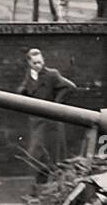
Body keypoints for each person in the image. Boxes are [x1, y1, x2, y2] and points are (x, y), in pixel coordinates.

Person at [16, 48, 78, 178]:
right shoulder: (30, 76)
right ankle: (42, 181)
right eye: (35, 63)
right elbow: (24, 89)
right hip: (37, 121)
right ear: (29, 63)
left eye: (40, 62)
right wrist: (23, 91)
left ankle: (52, 182)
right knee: (36, 153)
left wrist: (55, 104)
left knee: (52, 154)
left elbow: (70, 87)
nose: (38, 65)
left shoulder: (52, 74)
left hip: (51, 122)